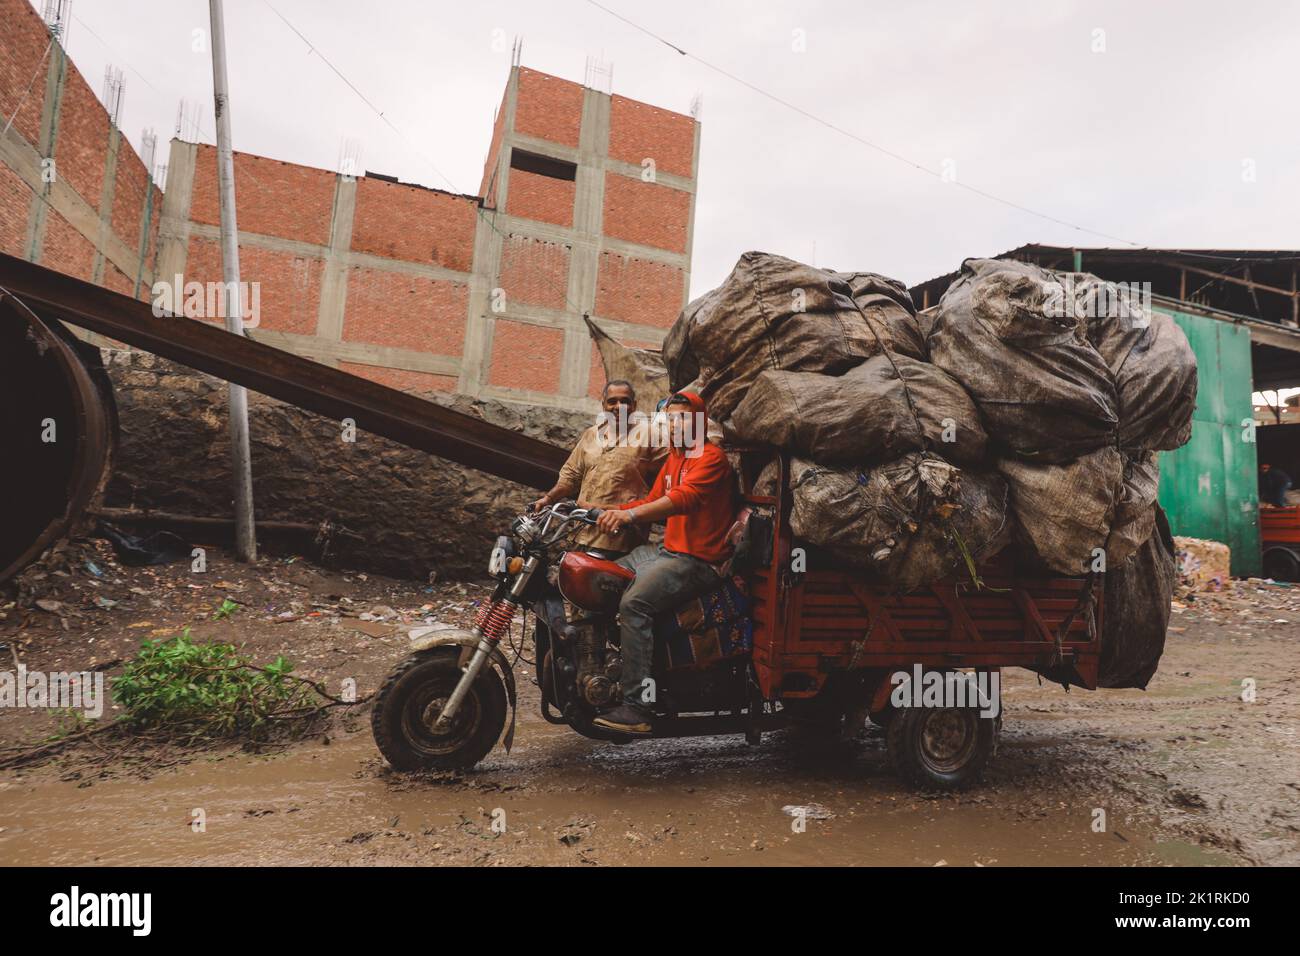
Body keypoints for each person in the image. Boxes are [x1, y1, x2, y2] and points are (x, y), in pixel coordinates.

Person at [591, 391, 737, 735]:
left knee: (635, 604)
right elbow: (653, 499)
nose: (675, 424)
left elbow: (681, 499)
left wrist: (629, 517)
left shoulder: (711, 458)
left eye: (683, 418)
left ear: (699, 422)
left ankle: (638, 707)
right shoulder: (675, 458)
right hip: (669, 550)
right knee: (604, 576)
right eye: (670, 418)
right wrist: (605, 512)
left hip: (700, 560)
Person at [532, 380, 666, 555]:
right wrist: (548, 499)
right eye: (612, 401)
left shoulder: (651, 435)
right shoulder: (592, 434)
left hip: (621, 536)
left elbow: (672, 473)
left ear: (634, 405)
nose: (618, 407)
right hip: (581, 530)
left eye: (625, 401)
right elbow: (571, 475)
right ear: (604, 405)